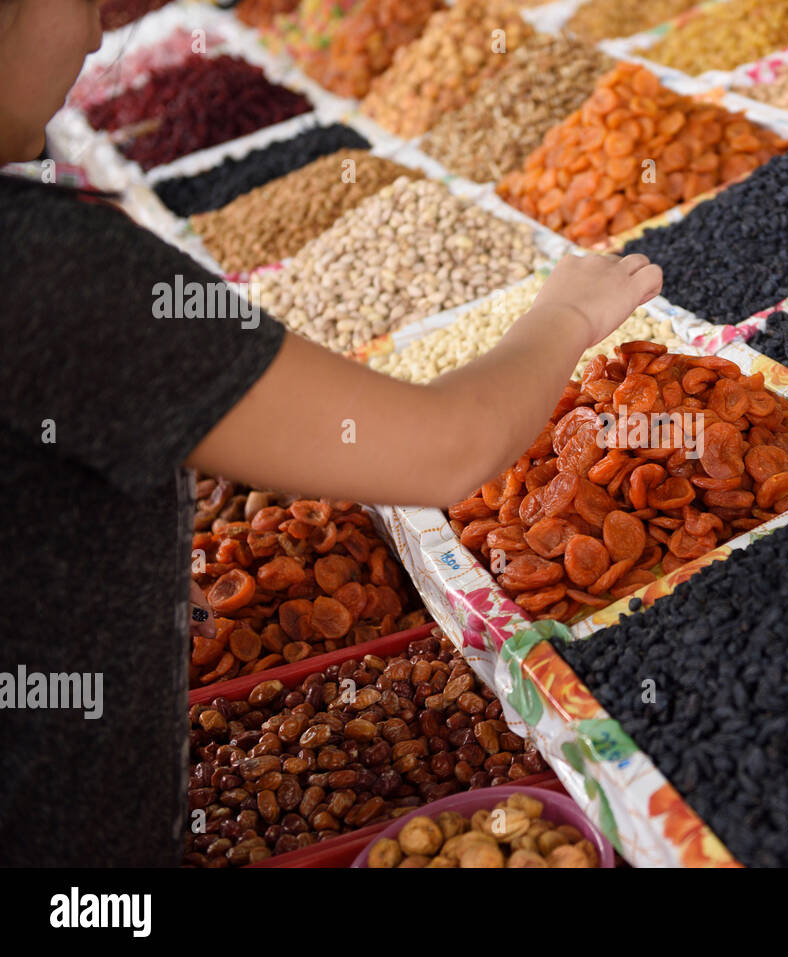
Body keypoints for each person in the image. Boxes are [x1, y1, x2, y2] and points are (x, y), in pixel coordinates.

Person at [0, 0, 662, 866]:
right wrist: (567, 312)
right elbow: (443, 449)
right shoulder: (47, 265)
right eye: (80, 0)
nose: (95, 34)